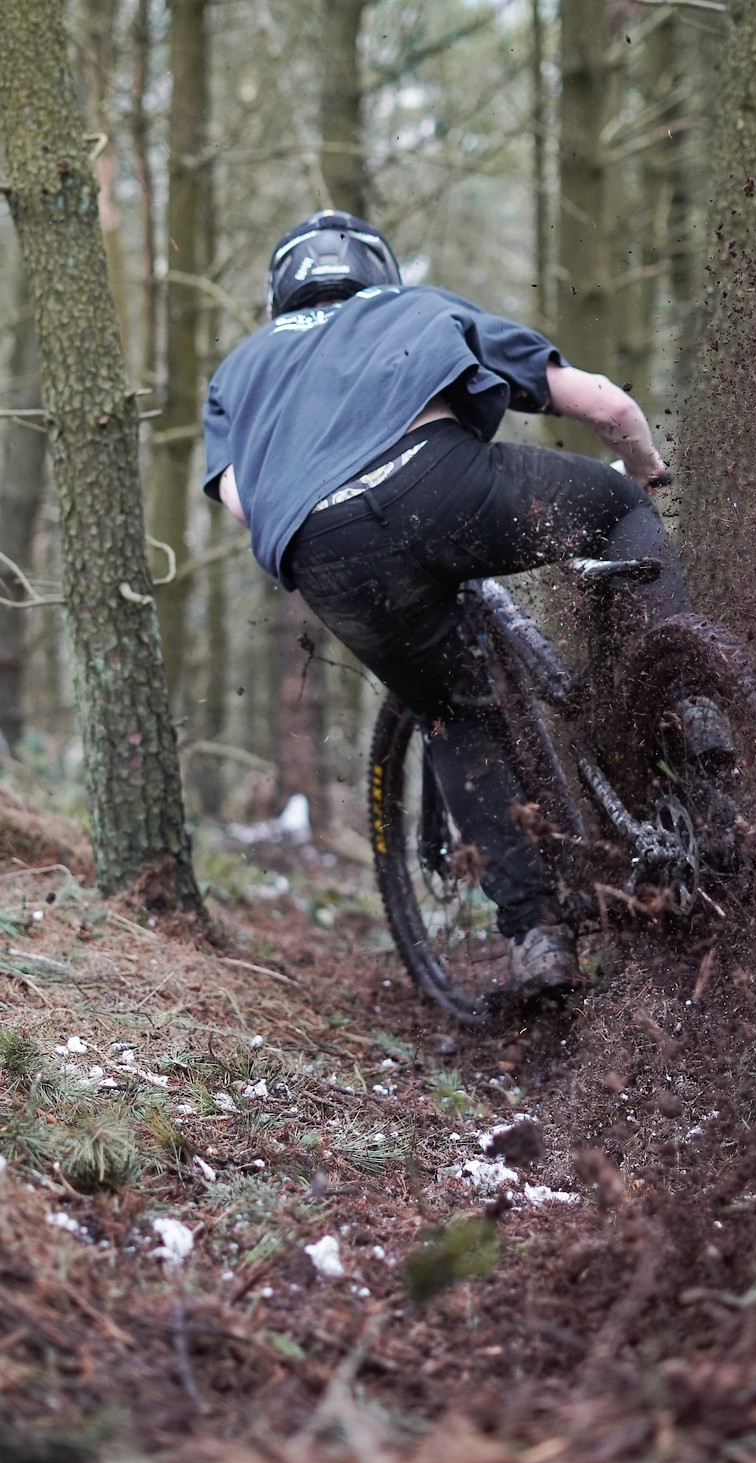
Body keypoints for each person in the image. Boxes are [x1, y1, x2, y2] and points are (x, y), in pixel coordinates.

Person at [203, 209, 708, 996]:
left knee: (451, 711)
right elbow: (606, 408)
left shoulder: (238, 372)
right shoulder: (417, 308)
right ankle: (688, 707)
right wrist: (645, 479)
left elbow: (243, 502)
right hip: (445, 487)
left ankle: (537, 935)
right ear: (376, 270)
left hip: (323, 549)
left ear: (281, 289)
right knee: (614, 509)